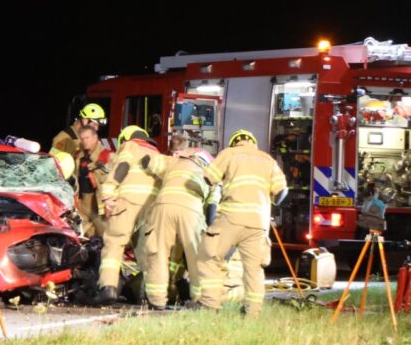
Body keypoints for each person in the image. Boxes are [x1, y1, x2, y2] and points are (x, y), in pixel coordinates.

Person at [195, 129, 287, 316]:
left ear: (234, 142)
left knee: (208, 254)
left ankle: (210, 303)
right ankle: (252, 312)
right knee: (254, 269)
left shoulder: (229, 153)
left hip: (232, 217)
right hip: (259, 223)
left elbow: (208, 177)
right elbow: (282, 192)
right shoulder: (268, 160)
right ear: (253, 142)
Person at [139, 147, 217, 308]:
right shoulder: (212, 173)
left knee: (158, 253)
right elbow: (212, 207)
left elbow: (148, 160)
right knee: (196, 256)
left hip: (163, 207)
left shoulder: (173, 162)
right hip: (191, 210)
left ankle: (156, 301)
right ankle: (200, 300)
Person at [95, 126, 161, 305]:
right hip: (150, 207)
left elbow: (121, 167)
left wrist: (108, 193)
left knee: (114, 242)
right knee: (147, 250)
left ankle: (108, 288)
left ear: (125, 138)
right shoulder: (156, 152)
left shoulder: (130, 145)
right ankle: (152, 295)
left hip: (128, 202)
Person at [74, 125, 112, 238]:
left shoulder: (106, 155)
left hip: (98, 202)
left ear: (95, 137)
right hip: (81, 200)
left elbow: (112, 181)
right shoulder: (79, 156)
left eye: (87, 138)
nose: (84, 141)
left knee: (106, 233)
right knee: (82, 230)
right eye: (82, 138)